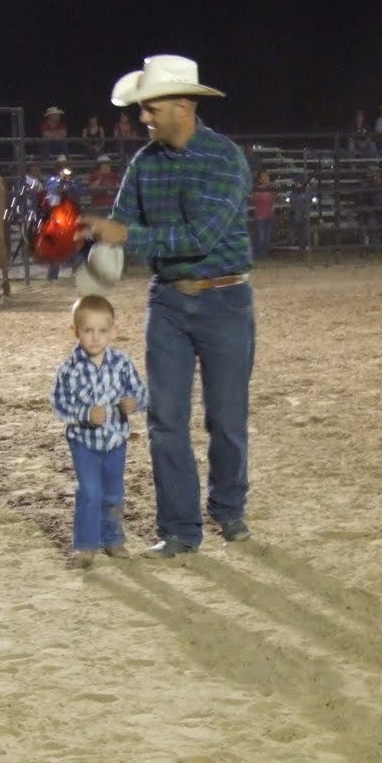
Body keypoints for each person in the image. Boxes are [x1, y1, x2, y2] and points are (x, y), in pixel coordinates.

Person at [79, 54, 254, 558]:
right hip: (170, 303)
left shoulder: (225, 159)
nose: (142, 117)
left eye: (149, 107)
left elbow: (200, 237)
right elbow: (118, 232)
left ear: (182, 104)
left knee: (226, 416)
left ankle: (228, 507)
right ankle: (180, 527)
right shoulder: (142, 164)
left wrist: (123, 236)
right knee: (166, 419)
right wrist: (96, 258)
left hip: (225, 299)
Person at [49, 293, 148, 568]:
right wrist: (84, 415)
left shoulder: (123, 364)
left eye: (103, 330)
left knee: (114, 491)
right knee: (91, 490)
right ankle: (85, 545)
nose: (95, 337)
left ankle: (113, 538)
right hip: (84, 442)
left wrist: (134, 403)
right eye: (88, 331)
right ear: (75, 331)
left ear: (114, 331)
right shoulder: (69, 370)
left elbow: (142, 393)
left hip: (116, 441)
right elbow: (58, 404)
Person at [251, 168, 275, 259]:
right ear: (260, 179)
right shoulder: (258, 189)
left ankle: (263, 253)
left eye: (267, 176)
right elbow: (253, 200)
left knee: (267, 237)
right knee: (261, 237)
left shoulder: (271, 188)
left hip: (269, 215)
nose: (266, 178)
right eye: (264, 177)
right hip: (260, 216)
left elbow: (275, 199)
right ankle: (258, 253)